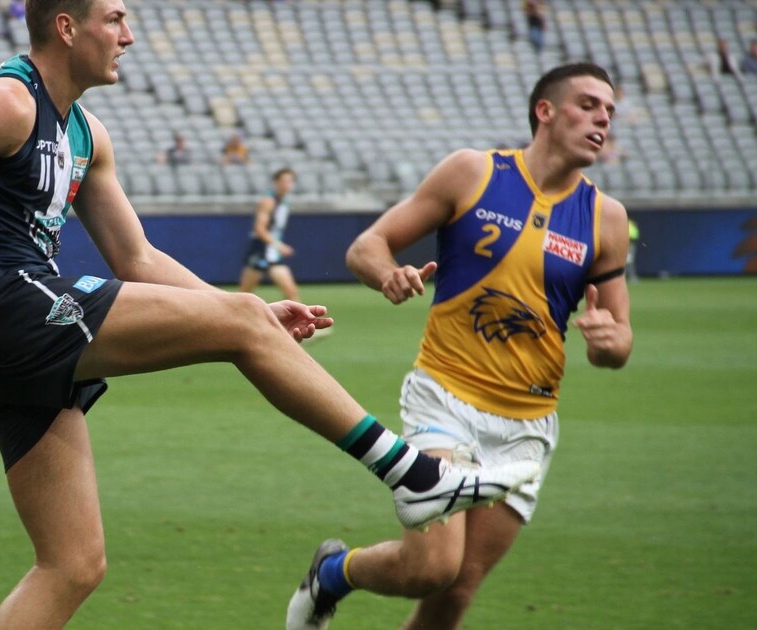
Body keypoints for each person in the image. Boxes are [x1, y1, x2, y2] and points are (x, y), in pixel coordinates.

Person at [0, 2, 538, 628]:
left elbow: (138, 258)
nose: (130, 33)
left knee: (73, 565)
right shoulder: (7, 103)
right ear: (67, 27)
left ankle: (404, 472)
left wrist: (238, 310)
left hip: (18, 329)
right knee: (242, 327)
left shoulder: (88, 134)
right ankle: (411, 475)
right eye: (116, 17)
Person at [286, 62, 633, 630]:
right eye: (589, 105)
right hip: (445, 399)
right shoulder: (472, 172)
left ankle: (332, 575)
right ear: (545, 111)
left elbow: (618, 342)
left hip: (526, 427)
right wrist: (387, 275)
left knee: (455, 592)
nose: (603, 119)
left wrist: (609, 340)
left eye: (610, 112)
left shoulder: (607, 219)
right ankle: (334, 573)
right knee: (431, 569)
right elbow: (366, 247)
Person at [238, 167, 300, 301]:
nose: (287, 185)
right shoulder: (268, 202)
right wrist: (279, 246)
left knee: (292, 294)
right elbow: (259, 229)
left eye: (290, 181)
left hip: (273, 254)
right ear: (276, 182)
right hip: (260, 250)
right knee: (243, 296)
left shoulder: (285, 202)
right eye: (284, 181)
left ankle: (294, 321)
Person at [627, 218, 640, 283]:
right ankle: (631, 277)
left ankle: (631, 277)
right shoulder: (628, 223)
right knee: (628, 262)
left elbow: (635, 235)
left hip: (630, 244)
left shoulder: (630, 223)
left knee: (629, 262)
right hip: (627, 244)